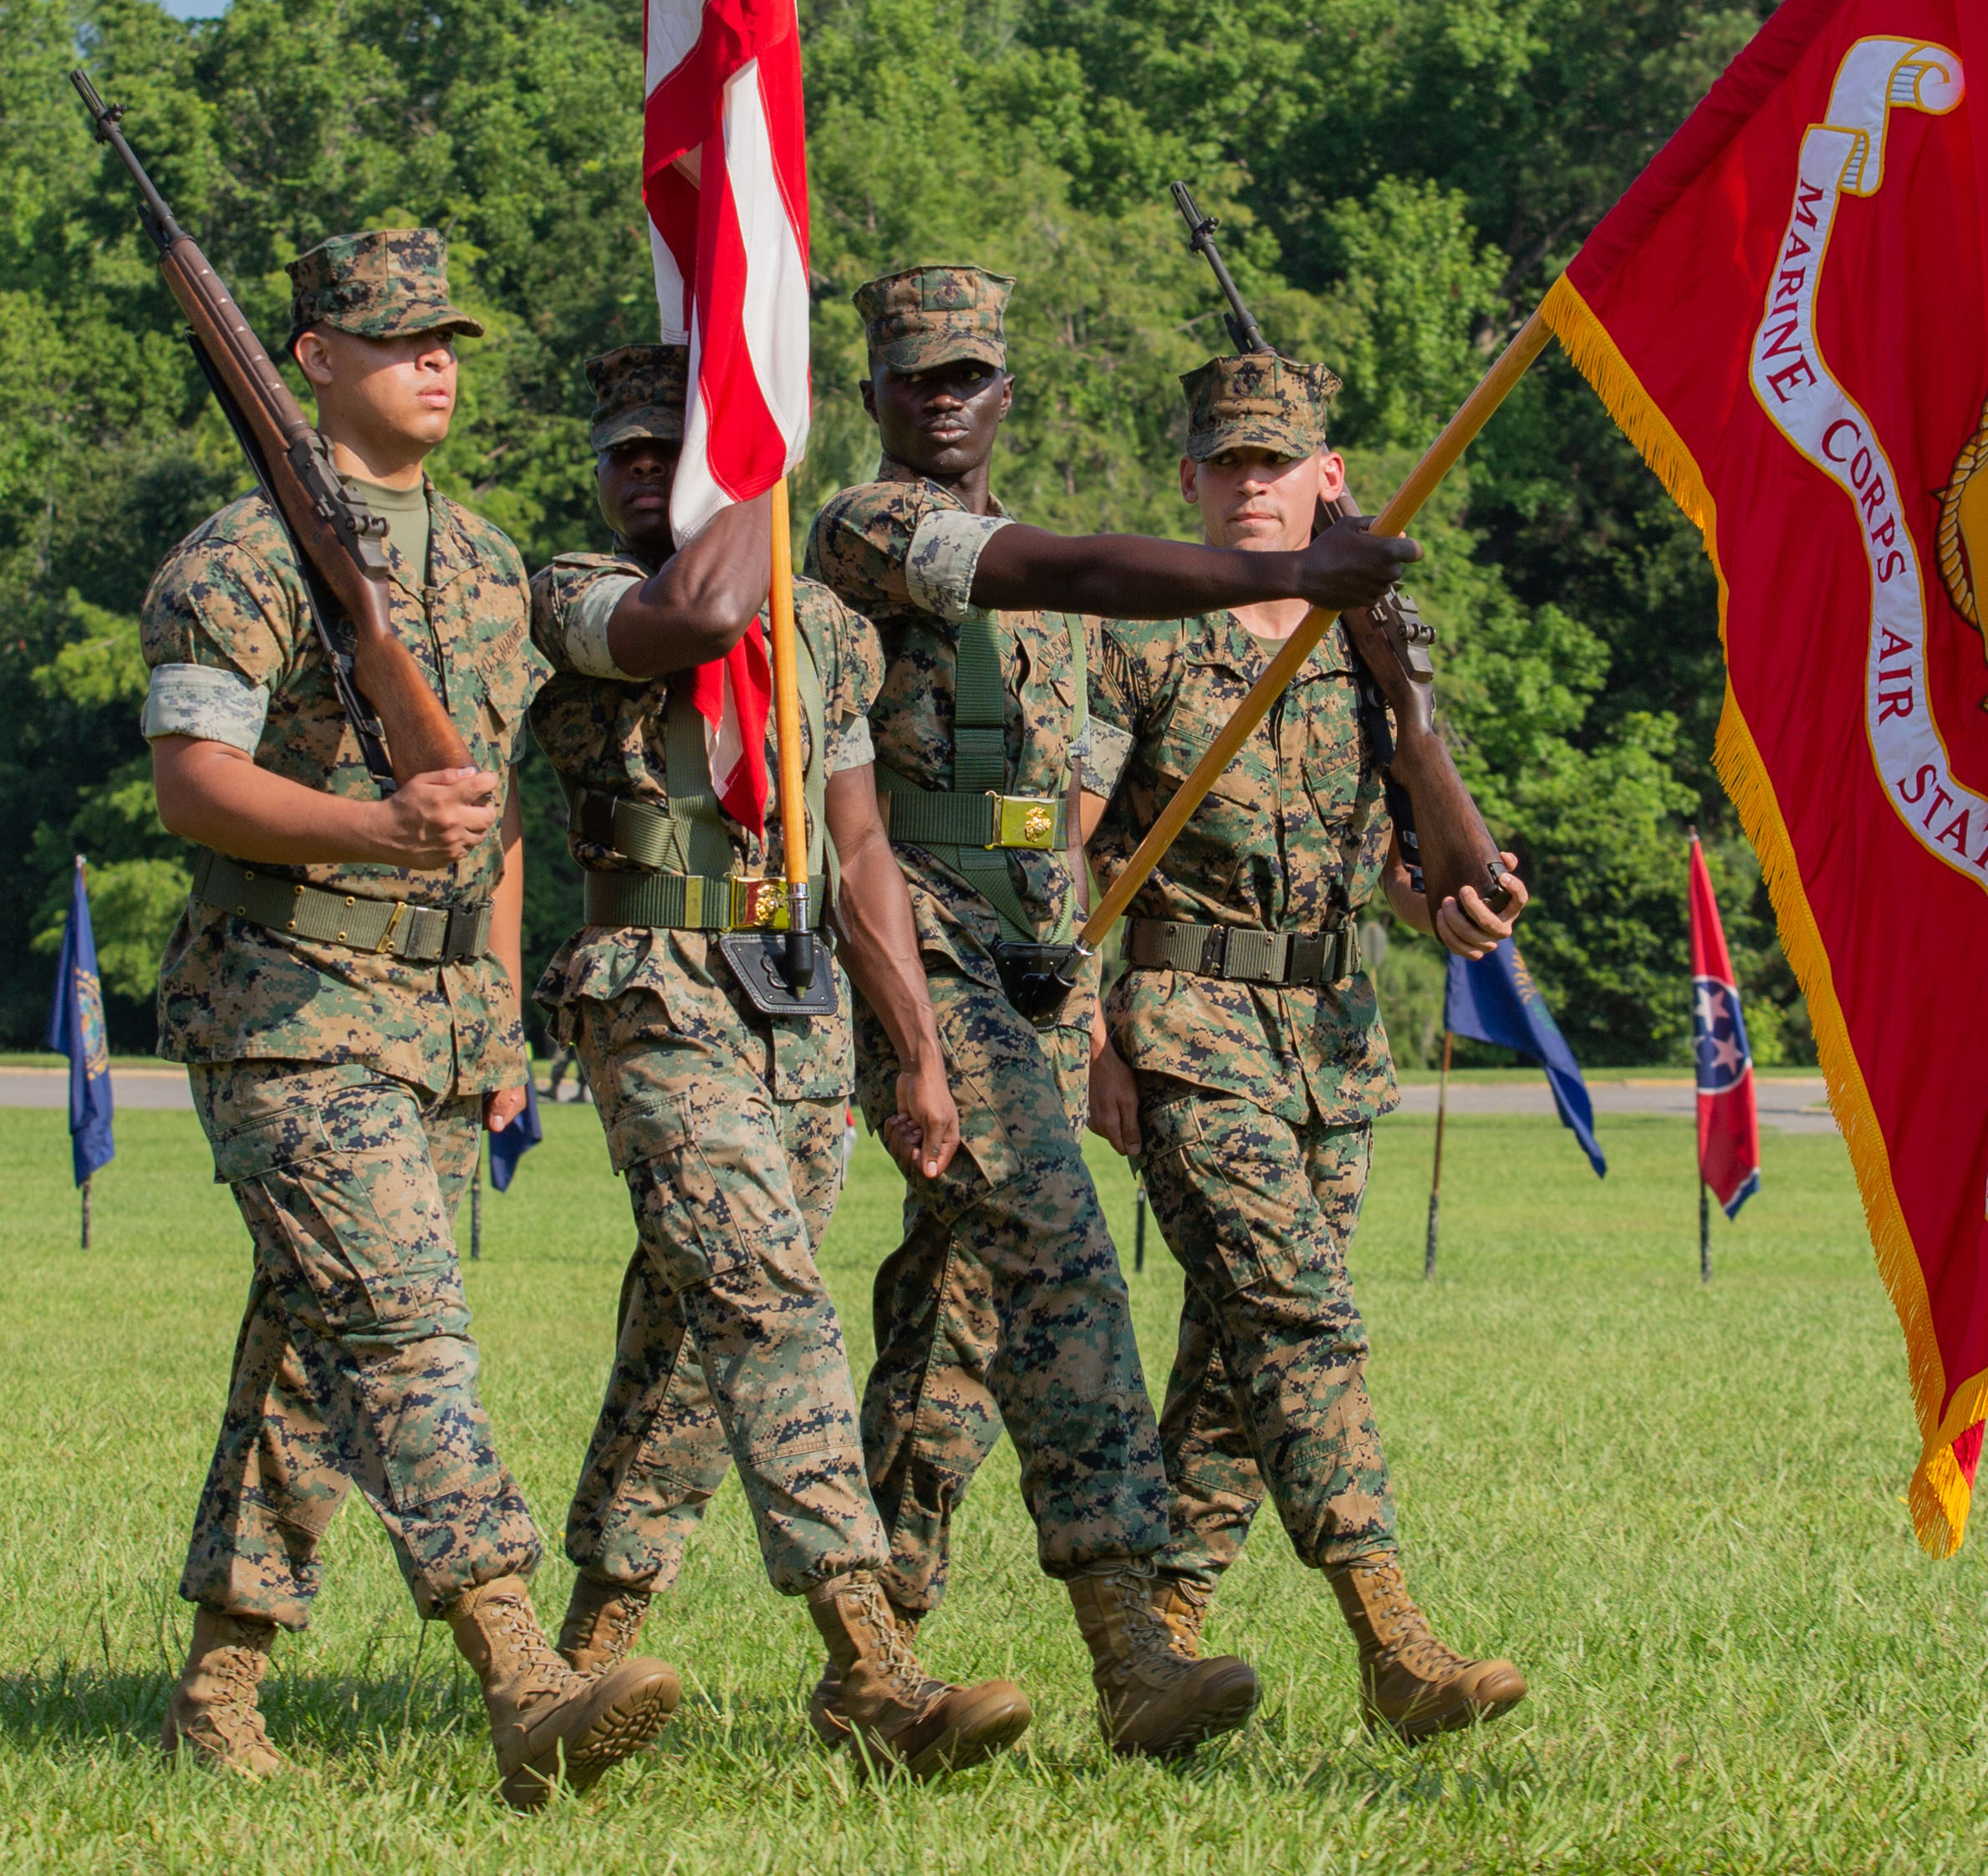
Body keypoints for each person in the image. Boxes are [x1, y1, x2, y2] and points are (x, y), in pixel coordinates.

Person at [803, 263, 1414, 1757]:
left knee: (955, 1319)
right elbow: (1055, 572)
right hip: (920, 942)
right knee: (1066, 1266)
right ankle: (1131, 1650)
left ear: (1007, 391)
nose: (947, 400)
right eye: (918, 377)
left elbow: (1073, 815)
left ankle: (874, 1666)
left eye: (972, 376)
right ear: (874, 394)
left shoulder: (1062, 593)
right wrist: (1283, 582)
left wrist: (1091, 1006)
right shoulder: (870, 526)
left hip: (1036, 963)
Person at [138, 229, 678, 1806]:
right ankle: (523, 1674)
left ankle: (218, 1688)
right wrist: (375, 829)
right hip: (287, 1007)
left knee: (320, 1357)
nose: (434, 359)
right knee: (402, 1332)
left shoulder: (495, 562)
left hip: (438, 1021)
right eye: (394, 338)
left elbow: (490, 807)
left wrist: (499, 1013)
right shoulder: (234, 559)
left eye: (446, 336)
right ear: (313, 359)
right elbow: (193, 785)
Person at [528, 342, 1029, 1777]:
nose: (641, 471)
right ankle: (872, 1663)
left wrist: (915, 1053)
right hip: (655, 985)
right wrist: (728, 508)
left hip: (798, 1007)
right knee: (770, 1297)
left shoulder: (824, 628)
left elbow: (859, 843)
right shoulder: (574, 595)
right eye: (620, 450)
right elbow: (692, 616)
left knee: (692, 1332)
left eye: (666, 448)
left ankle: (580, 1669)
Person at [1085, 349, 1532, 1742]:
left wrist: (1437, 853)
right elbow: (1075, 855)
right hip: (1187, 1023)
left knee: (1237, 1350)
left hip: (1332, 1036)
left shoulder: (1379, 630)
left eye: (1274, 461)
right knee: (1295, 1315)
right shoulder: (1141, 634)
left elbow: (1412, 859)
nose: (1249, 485)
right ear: (1189, 483)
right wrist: (1091, 1033)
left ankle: (1155, 1648)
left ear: (1327, 477)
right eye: (1224, 463)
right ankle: (1390, 1634)